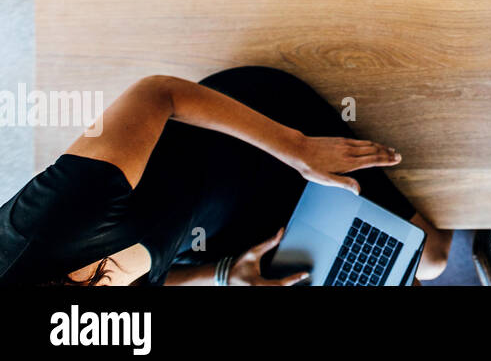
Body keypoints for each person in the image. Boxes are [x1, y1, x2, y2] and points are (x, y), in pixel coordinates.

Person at [0, 67, 452, 286]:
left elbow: (159, 92)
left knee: (430, 258)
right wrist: (222, 276)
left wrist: (297, 148)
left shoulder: (46, 226)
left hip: (259, 140)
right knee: (402, 271)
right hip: (223, 233)